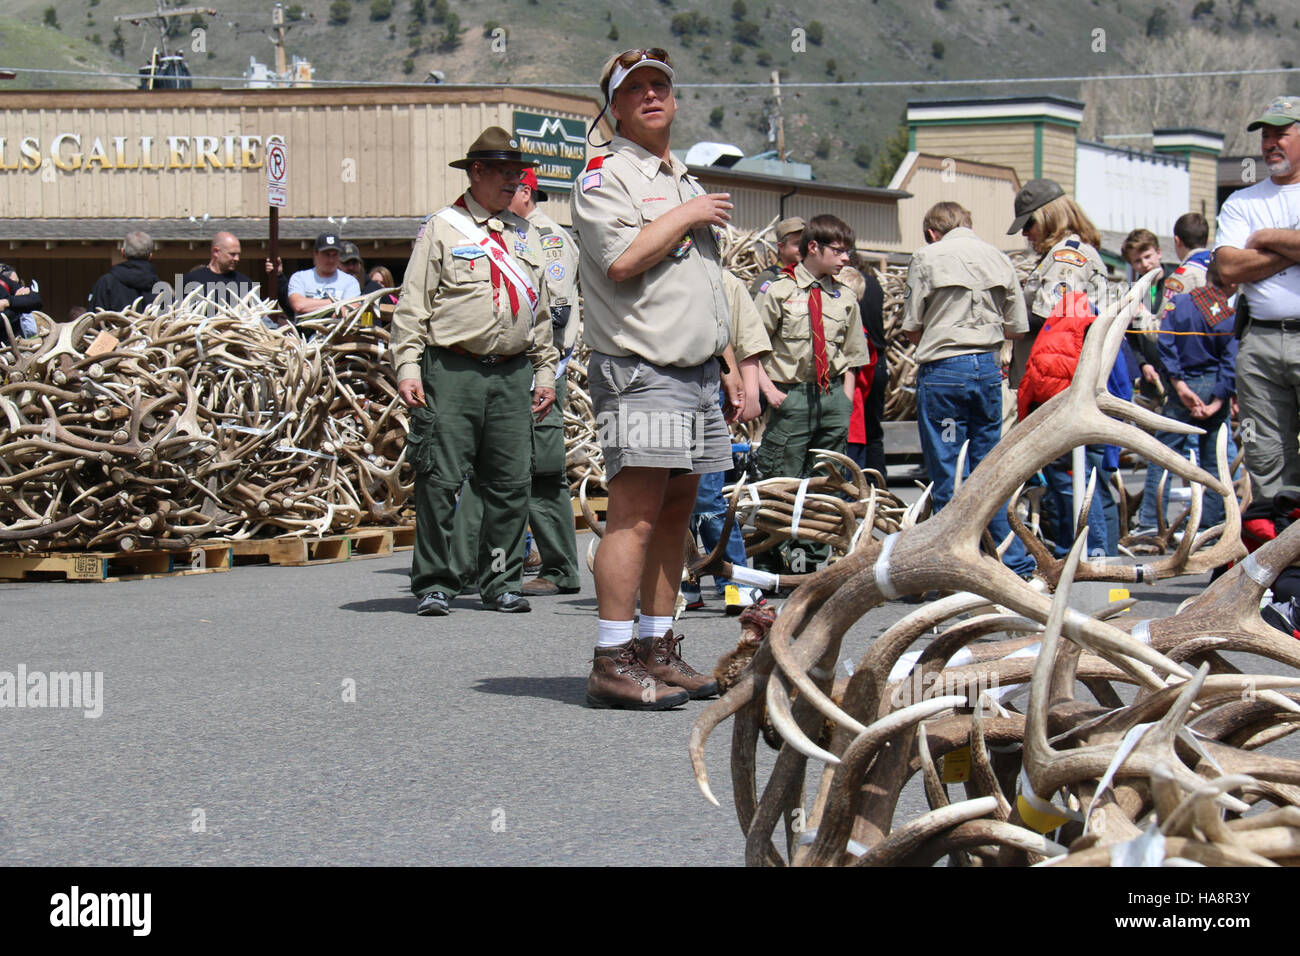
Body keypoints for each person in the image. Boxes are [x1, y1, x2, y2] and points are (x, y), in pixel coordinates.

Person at [571, 47, 743, 710]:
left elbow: (704, 285)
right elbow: (620, 261)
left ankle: (658, 647)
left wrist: (728, 364)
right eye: (634, 89)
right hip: (641, 367)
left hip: (695, 369)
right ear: (614, 108)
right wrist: (686, 216)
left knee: (676, 513)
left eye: (660, 86)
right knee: (635, 516)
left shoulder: (684, 179)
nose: (650, 96)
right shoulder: (603, 175)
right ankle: (612, 660)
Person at [391, 126, 558, 617]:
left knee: (509, 484)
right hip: (452, 370)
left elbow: (542, 313)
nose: (515, 180)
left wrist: (545, 373)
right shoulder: (443, 228)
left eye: (517, 172)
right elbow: (411, 306)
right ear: (477, 172)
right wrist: (407, 367)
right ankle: (436, 583)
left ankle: (501, 581)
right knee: (440, 481)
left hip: (511, 374)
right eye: (505, 172)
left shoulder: (525, 234)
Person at [450, 166, 584, 599]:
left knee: (543, 473)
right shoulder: (494, 231)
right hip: (499, 371)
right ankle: (476, 565)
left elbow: (557, 311)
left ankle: (560, 567)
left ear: (525, 192)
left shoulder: (545, 237)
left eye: (510, 187)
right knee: (486, 470)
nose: (502, 192)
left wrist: (542, 372)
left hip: (537, 371)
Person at [901, 201, 1035, 577]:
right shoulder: (999, 258)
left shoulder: (927, 257)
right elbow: (1018, 328)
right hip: (988, 370)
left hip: (945, 372)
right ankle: (1013, 562)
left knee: (948, 469)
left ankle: (952, 563)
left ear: (931, 232)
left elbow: (912, 326)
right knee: (988, 470)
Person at [752, 213, 871, 573]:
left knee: (827, 479)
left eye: (847, 251)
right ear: (813, 247)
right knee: (781, 479)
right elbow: (752, 347)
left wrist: (845, 398)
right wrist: (771, 393)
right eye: (838, 250)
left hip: (831, 397)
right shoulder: (778, 291)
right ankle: (771, 559)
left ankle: (810, 561)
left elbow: (852, 356)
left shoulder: (844, 296)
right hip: (791, 396)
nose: (846, 258)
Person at [1213, 94, 1300, 501]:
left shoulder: (1254, 218)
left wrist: (1264, 238)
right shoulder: (1241, 202)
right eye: (1266, 136)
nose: (1270, 144)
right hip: (1259, 342)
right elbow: (1228, 269)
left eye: (1281, 134)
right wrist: (1291, 248)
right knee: (1266, 456)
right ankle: (1280, 551)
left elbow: (1243, 259)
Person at [681, 268, 770, 613]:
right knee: (672, 500)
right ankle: (686, 583)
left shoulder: (723, 280)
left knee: (705, 500)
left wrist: (749, 391)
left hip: (707, 391)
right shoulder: (653, 269)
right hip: (659, 392)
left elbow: (744, 341)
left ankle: (736, 583)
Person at [1133, 260, 1239, 535]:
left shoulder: (1178, 304)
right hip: (1215, 381)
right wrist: (1218, 400)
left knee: (1164, 455)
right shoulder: (1228, 314)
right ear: (1229, 282)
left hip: (1184, 384)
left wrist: (1178, 384)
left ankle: (1150, 522)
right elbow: (1232, 359)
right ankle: (1214, 526)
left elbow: (1166, 343)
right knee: (1214, 460)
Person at [1005, 179, 1108, 388]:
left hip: (1056, 381)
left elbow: (1051, 318)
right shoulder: (1063, 252)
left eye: (1028, 224)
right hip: (1057, 376)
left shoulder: (1067, 255)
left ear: (1048, 216)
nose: (1025, 234)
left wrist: (998, 316)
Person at [1120, 228, 1176, 407]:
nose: (1144, 264)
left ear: (1158, 253)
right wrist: (1143, 364)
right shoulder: (1134, 292)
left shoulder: (1176, 283)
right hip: (1150, 376)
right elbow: (1131, 335)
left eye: (1147, 256)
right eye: (1137, 261)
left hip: (1176, 370)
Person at [845, 255, 888, 483]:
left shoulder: (855, 335)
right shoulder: (874, 284)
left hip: (847, 422)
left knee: (846, 481)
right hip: (856, 418)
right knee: (874, 436)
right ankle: (878, 490)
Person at [287, 233, 362, 319]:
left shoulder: (350, 281)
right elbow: (299, 305)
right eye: (327, 254)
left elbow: (351, 309)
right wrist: (340, 303)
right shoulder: (299, 277)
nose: (331, 260)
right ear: (316, 253)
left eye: (335, 255)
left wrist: (311, 305)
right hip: (304, 331)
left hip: (338, 330)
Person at [87, 231, 162, 313]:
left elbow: (94, 319)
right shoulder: (162, 289)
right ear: (150, 256)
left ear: (122, 253)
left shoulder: (105, 284)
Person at [183, 231, 258, 306]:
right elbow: (176, 313)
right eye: (232, 254)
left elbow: (259, 315)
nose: (237, 259)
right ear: (216, 251)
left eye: (238, 254)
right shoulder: (192, 280)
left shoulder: (245, 283)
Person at [1161, 212, 1213, 310]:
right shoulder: (1222, 268)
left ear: (1177, 241)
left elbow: (1165, 319)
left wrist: (1139, 314)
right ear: (1207, 241)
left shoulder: (1180, 277)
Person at [748, 216, 804, 296]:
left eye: (806, 243)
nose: (803, 248)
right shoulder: (769, 277)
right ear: (781, 247)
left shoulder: (808, 277)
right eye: (797, 244)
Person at [0, 264, 41, 344]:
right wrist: (20, 304)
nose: (17, 285)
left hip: (17, 347)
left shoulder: (3, 280)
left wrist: (7, 302)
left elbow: (36, 300)